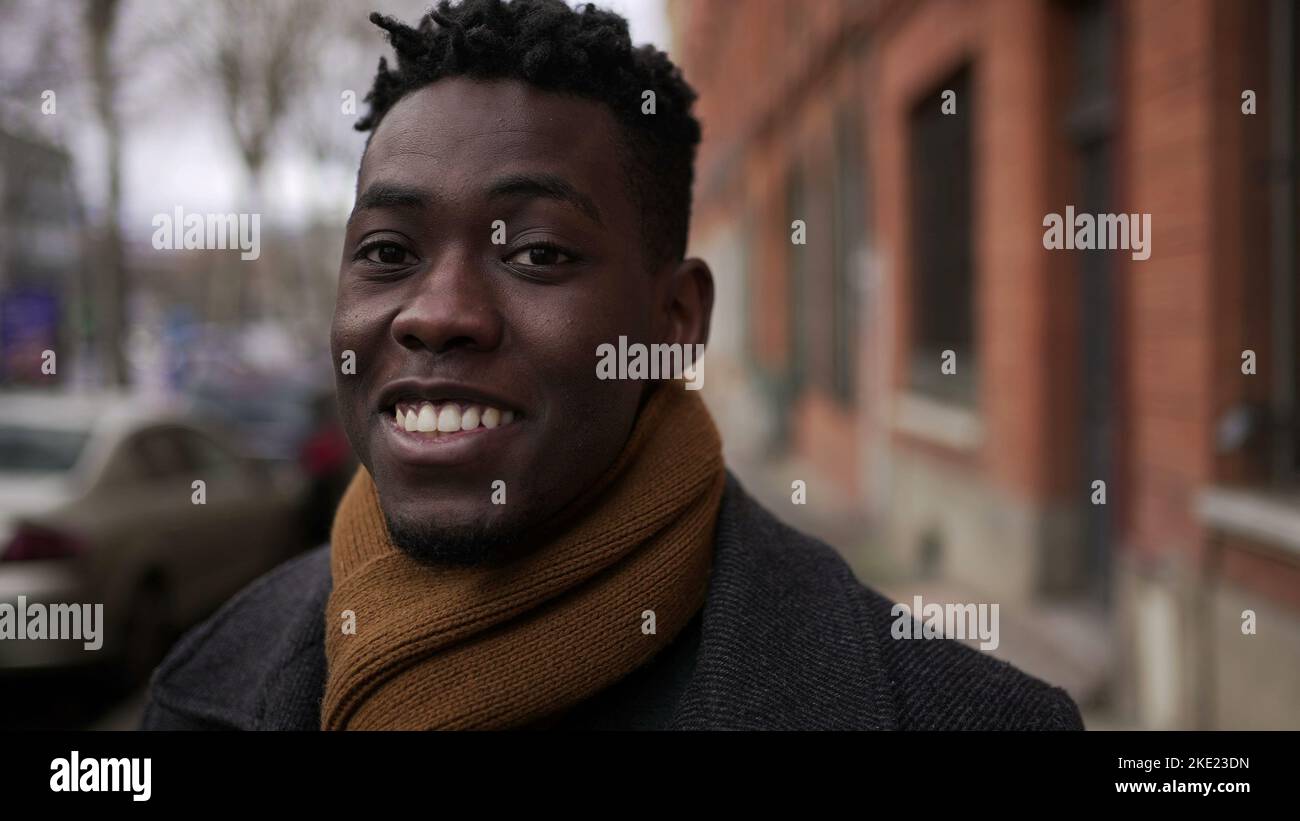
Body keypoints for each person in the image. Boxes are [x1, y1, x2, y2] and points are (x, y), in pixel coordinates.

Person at [141, 0, 1083, 731]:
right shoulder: (208, 688)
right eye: (388, 251)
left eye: (538, 253)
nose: (437, 314)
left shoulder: (957, 714)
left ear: (675, 320)